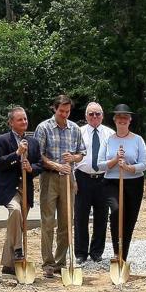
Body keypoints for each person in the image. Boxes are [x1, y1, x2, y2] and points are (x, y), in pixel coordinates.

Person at [34, 94, 86, 277]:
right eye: (62, 111)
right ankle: (48, 263)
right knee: (48, 221)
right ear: (54, 109)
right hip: (50, 178)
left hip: (68, 179)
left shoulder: (75, 129)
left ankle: (60, 261)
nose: (65, 115)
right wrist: (56, 165)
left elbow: (81, 153)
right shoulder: (44, 128)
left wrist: (73, 158)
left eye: (68, 111)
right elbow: (38, 156)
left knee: (66, 221)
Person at [0, 106, 43, 275]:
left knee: (17, 226)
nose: (24, 122)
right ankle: (19, 249)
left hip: (25, 189)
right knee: (15, 212)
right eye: (20, 119)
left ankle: (9, 266)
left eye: (25, 119)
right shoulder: (1, 141)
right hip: (9, 189)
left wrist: (30, 168)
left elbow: (39, 165)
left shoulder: (34, 142)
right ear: (11, 122)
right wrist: (16, 154)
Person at [102, 104, 146, 265]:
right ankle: (116, 251)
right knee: (116, 211)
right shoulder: (108, 140)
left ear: (130, 120)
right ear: (115, 120)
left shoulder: (137, 140)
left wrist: (128, 167)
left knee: (129, 219)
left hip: (134, 183)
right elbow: (100, 165)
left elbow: (144, 164)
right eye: (119, 117)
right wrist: (115, 160)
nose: (122, 120)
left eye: (125, 117)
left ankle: (123, 256)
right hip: (112, 182)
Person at [73, 102, 114, 263]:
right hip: (82, 177)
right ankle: (81, 253)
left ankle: (97, 252)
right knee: (80, 216)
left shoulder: (110, 134)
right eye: (91, 114)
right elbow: (72, 156)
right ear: (86, 116)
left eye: (98, 114)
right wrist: (73, 180)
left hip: (103, 179)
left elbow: (113, 158)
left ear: (102, 116)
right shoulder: (78, 133)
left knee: (102, 216)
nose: (94, 117)